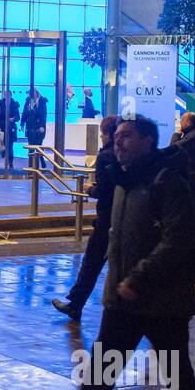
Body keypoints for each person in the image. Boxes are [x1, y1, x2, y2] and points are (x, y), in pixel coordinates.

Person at [34, 115, 195, 390]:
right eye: (116, 138)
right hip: (124, 298)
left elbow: (179, 239)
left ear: (147, 141)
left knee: (174, 372)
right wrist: (117, 286)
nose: (117, 143)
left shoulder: (168, 180)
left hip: (163, 299)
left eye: (126, 137)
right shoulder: (126, 181)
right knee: (100, 367)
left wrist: (138, 278)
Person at [53, 115, 120, 320]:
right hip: (121, 218)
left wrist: (92, 190)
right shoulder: (125, 155)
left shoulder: (106, 157)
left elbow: (107, 189)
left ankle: (75, 304)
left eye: (102, 132)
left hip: (107, 218)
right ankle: (76, 302)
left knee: (92, 262)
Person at [0, 90, 20, 171]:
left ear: (11, 95)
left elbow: (18, 117)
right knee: (3, 145)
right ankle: (4, 155)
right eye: (5, 94)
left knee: (10, 146)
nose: (6, 96)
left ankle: (10, 162)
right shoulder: (0, 103)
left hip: (11, 127)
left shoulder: (14, 104)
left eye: (8, 94)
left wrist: (13, 119)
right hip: (2, 127)